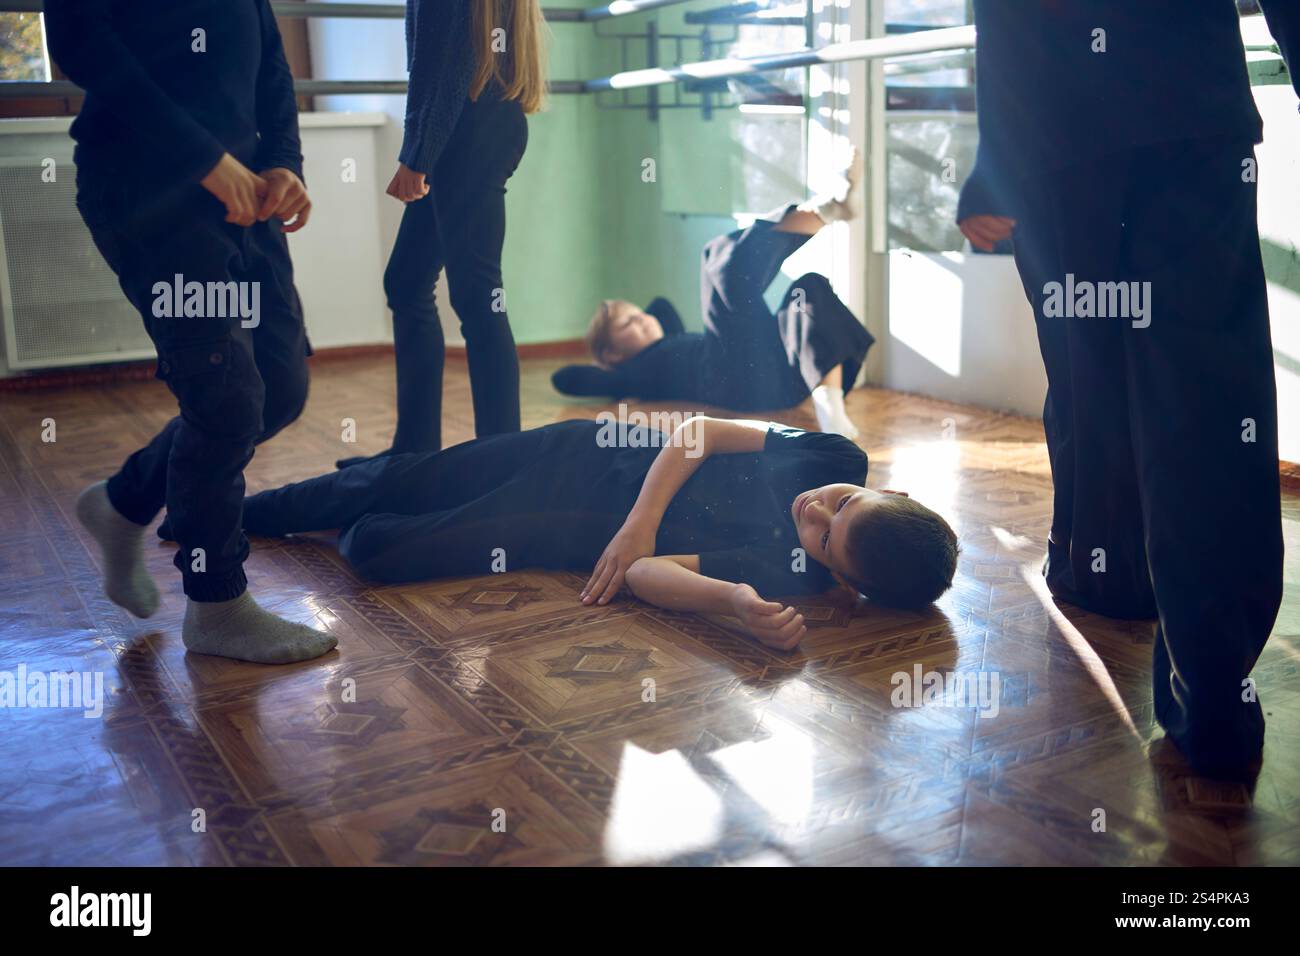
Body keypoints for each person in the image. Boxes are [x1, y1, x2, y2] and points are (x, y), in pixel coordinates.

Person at [957, 0, 1300, 776]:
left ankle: (1104, 573)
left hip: (1058, 130)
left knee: (1091, 375)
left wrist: (998, 156)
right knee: (1211, 400)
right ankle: (1215, 688)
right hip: (1190, 110)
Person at [46, 0, 336, 664]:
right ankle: (216, 606)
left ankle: (123, 502)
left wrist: (285, 162)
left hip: (249, 194)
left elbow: (270, 60)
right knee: (226, 395)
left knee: (279, 388)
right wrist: (204, 159)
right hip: (150, 193)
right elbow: (81, 40)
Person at [240, 417, 959, 648]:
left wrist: (732, 600)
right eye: (842, 503)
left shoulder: (787, 573)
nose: (813, 511)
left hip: (562, 521)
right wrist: (642, 521)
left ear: (844, 580)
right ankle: (227, 516)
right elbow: (698, 432)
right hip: (585, 449)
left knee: (377, 549)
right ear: (886, 488)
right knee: (404, 480)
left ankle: (366, 489)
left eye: (825, 539)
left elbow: (643, 574)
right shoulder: (836, 457)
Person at [337, 0, 547, 468]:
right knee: (407, 282)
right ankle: (414, 450)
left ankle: (500, 462)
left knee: (477, 298)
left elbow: (443, 63)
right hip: (476, 123)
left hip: (464, 130)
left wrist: (417, 155)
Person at [551, 163, 874, 439]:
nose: (643, 319)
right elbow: (565, 379)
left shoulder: (668, 339)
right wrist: (606, 364)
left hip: (780, 374)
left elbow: (660, 306)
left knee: (808, 287)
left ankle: (830, 406)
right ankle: (827, 209)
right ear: (612, 353)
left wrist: (626, 319)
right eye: (628, 323)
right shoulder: (630, 372)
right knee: (717, 261)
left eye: (638, 314)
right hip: (734, 380)